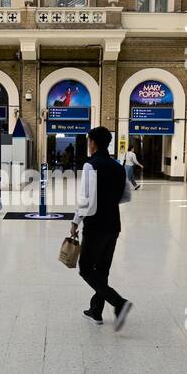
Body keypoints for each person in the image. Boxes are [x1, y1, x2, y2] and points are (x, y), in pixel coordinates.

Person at [75, 126, 133, 331]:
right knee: (102, 270)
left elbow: (86, 201)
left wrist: (75, 222)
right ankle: (96, 311)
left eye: (89, 140)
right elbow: (126, 196)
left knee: (85, 269)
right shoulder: (118, 167)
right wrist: (109, 200)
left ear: (94, 143)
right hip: (113, 225)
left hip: (95, 225)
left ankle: (119, 303)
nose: (88, 144)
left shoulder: (91, 165)